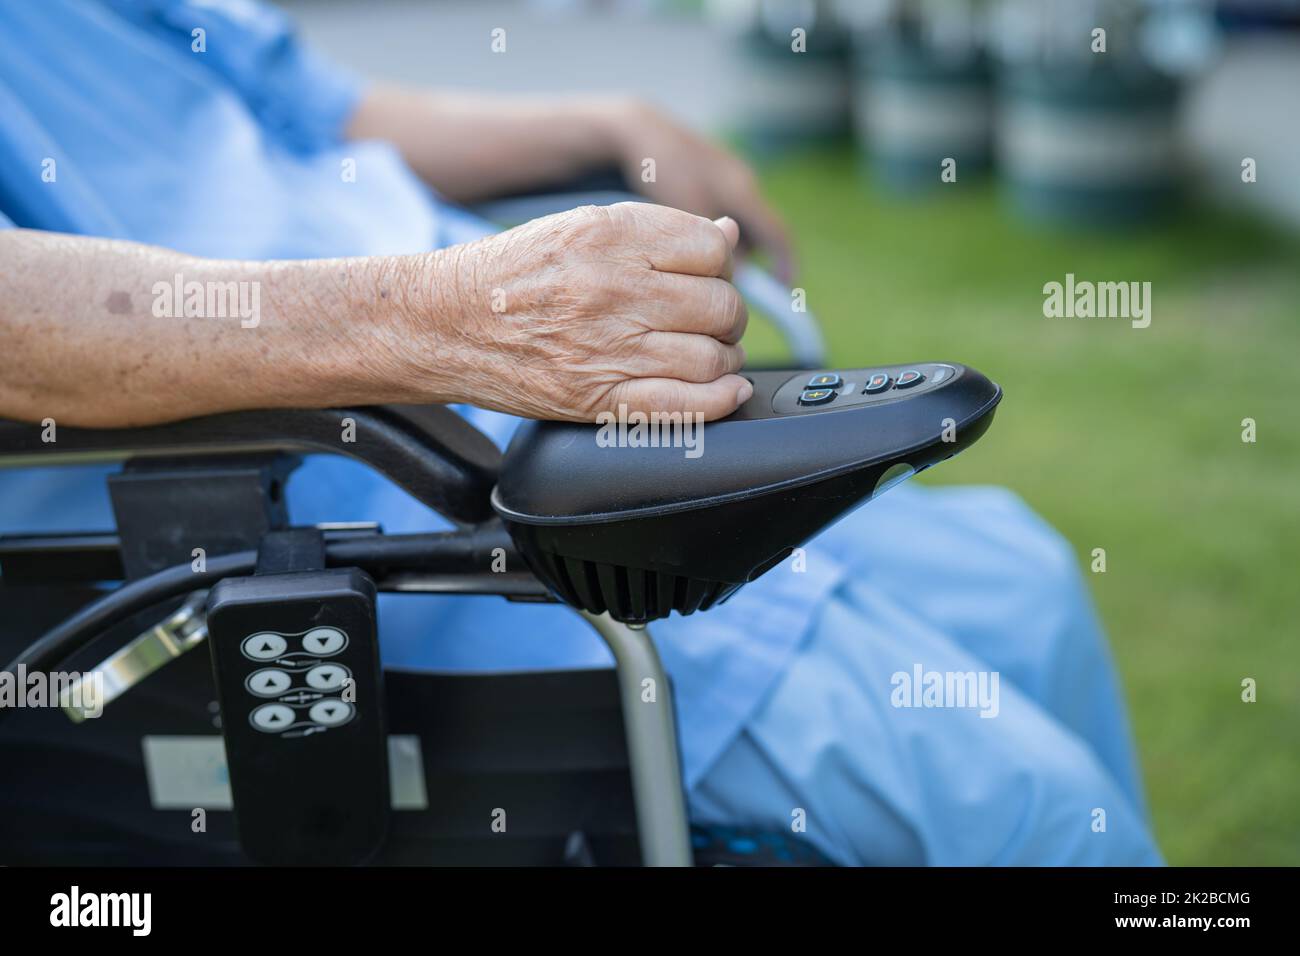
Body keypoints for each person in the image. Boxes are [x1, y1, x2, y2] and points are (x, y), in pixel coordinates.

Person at [0, 0, 1161, 865]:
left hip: (521, 401)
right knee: (1040, 821)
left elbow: (320, 109)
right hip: (382, 523)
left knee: (1028, 585)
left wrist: (602, 119)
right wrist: (440, 316)